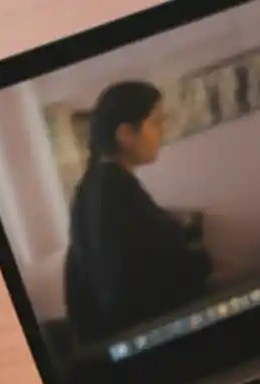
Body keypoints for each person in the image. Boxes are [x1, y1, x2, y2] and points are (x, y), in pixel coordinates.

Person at [64, 81, 215, 342]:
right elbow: (134, 285)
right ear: (125, 134)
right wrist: (205, 264)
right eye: (156, 123)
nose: (162, 132)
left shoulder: (96, 184)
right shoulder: (112, 190)